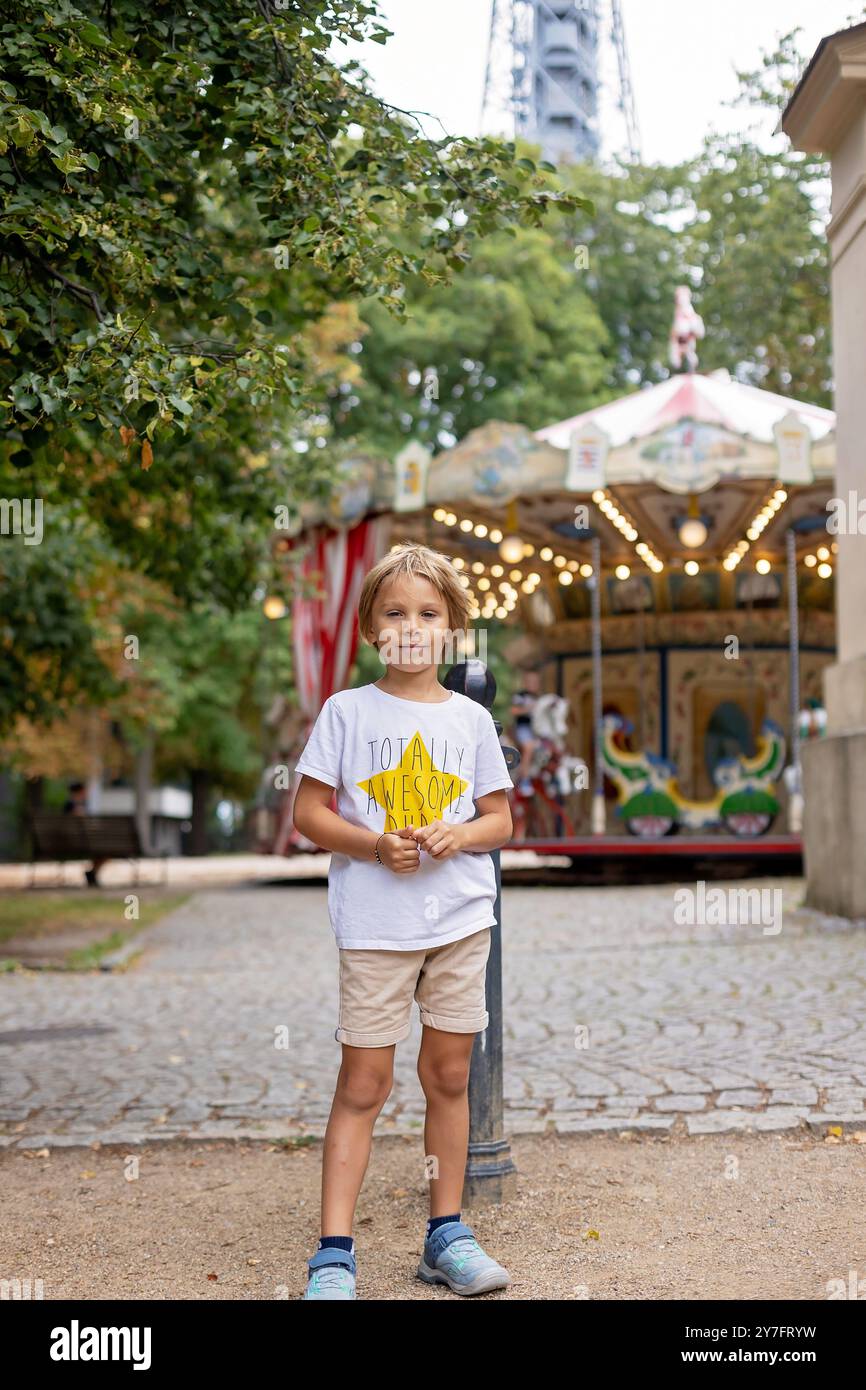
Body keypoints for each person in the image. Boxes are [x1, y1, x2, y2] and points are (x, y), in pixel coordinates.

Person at [292, 542, 514, 1300]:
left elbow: (500, 820)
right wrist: (372, 846)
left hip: (458, 921)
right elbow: (308, 813)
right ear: (369, 627)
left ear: (453, 627)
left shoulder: (472, 720)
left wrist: (460, 835)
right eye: (395, 612)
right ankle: (333, 1253)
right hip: (376, 928)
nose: (412, 627)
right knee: (365, 1080)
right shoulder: (346, 712)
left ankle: (446, 1235)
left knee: (450, 1074)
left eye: (428, 613)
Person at [62, 780, 106, 887]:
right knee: (104, 849)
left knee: (103, 850)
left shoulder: (70, 805)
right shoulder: (74, 807)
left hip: (72, 840)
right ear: (81, 791)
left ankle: (92, 873)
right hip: (76, 842)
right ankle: (92, 873)